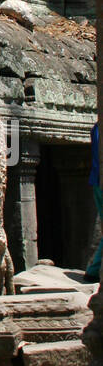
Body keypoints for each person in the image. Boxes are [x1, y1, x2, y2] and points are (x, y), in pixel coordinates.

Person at [86, 121, 102, 282]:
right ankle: (94, 270)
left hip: (97, 180)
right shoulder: (99, 127)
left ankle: (94, 269)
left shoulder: (97, 127)